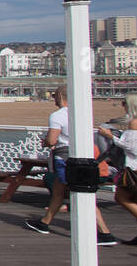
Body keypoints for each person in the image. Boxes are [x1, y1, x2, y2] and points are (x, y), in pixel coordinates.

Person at [25, 86, 116, 244]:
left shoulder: (58, 116)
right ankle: (44, 223)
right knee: (59, 192)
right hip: (86, 155)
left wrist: (45, 142)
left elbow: (52, 140)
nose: (53, 98)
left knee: (81, 193)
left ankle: (104, 233)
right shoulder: (82, 113)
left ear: (60, 96)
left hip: (66, 157)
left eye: (54, 95)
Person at [98, 116, 137, 244]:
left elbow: (132, 148)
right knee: (136, 200)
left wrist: (111, 137)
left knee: (121, 197)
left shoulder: (135, 122)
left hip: (134, 169)